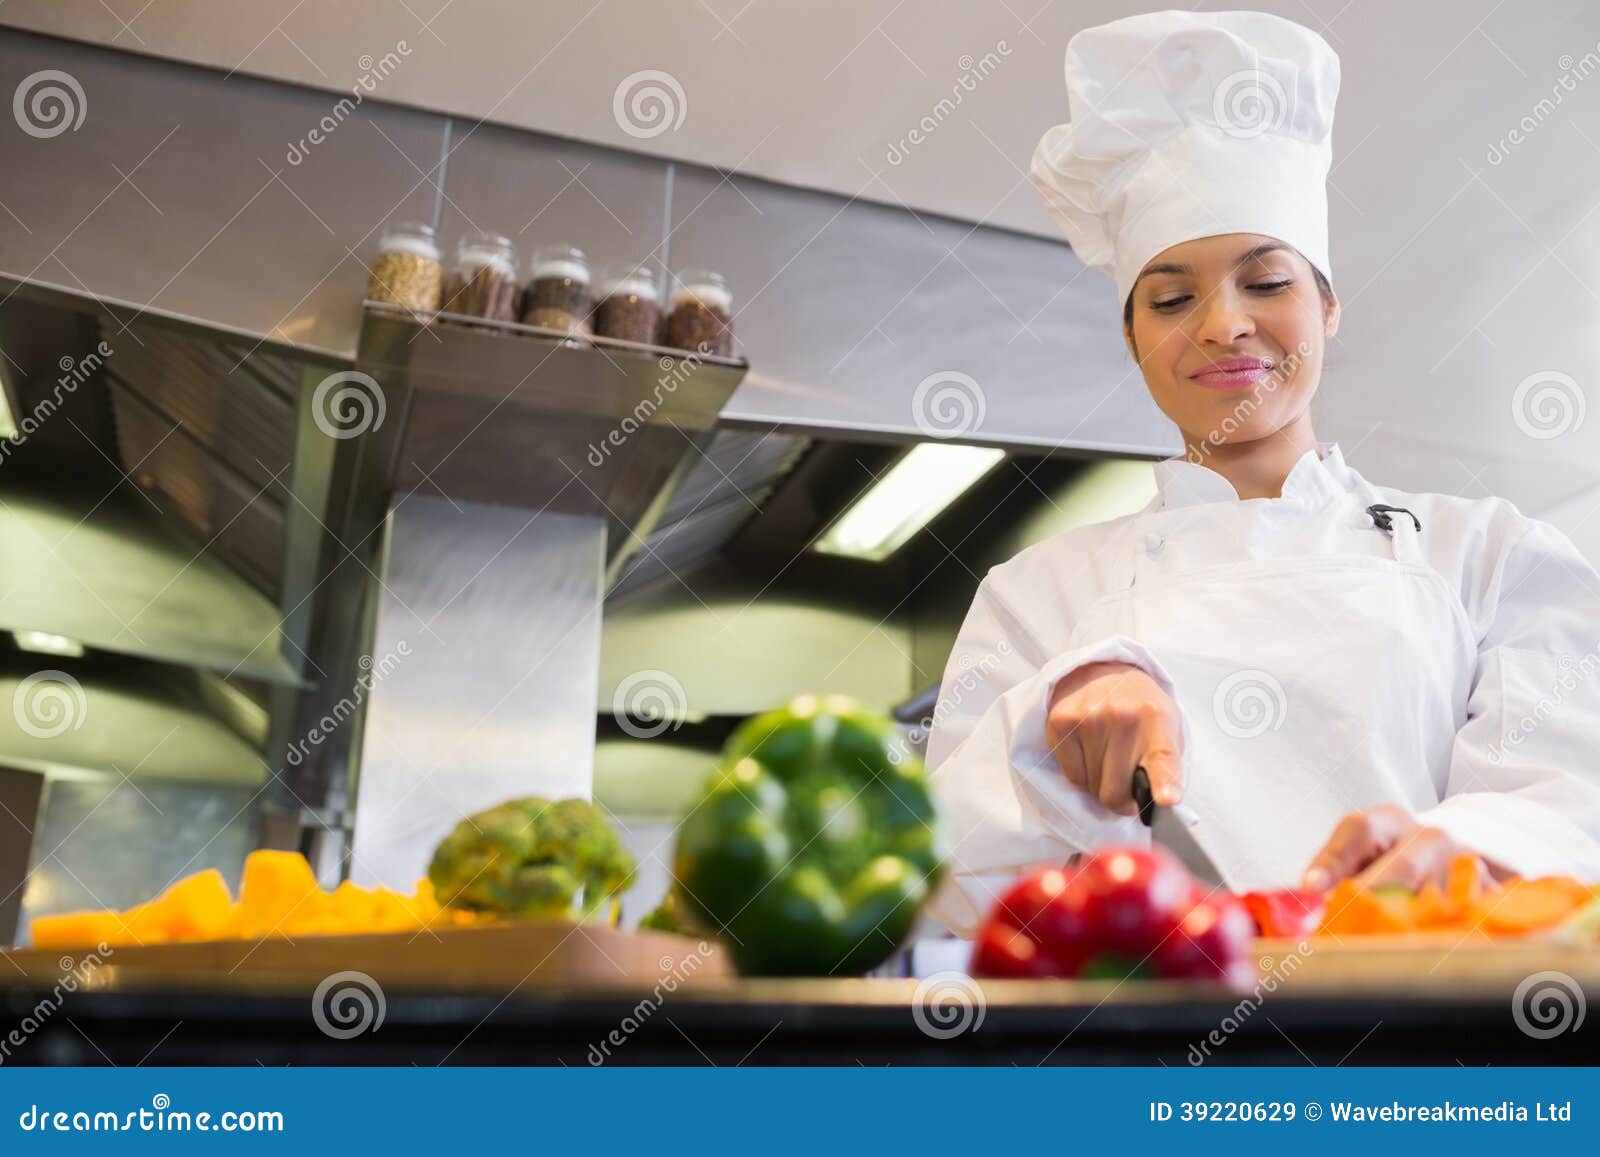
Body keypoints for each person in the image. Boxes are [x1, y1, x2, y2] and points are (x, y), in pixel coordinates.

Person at [924, 9, 1600, 937]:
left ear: (1327, 307)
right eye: (1170, 298)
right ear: (1132, 338)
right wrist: (1051, 718)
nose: (1222, 326)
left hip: (1429, 1036)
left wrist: (1467, 846)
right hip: (1140, 1058)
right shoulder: (1037, 594)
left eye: (1267, 282)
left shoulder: (1493, 554)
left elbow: (1572, 790)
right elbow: (948, 891)